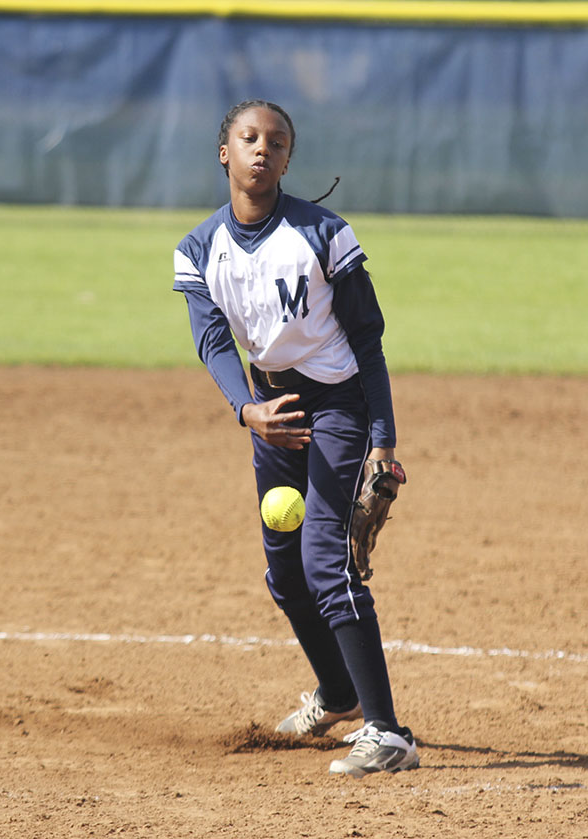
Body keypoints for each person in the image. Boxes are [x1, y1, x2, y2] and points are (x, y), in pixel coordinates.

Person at [172, 99, 418, 778]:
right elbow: (213, 339)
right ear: (225, 151)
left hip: (338, 404)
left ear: (287, 159)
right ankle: (336, 692)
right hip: (272, 411)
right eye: (248, 138)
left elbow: (367, 341)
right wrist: (247, 410)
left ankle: (388, 732)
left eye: (276, 142)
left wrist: (383, 438)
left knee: (324, 562)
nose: (262, 149)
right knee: (284, 575)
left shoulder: (322, 233)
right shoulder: (200, 250)